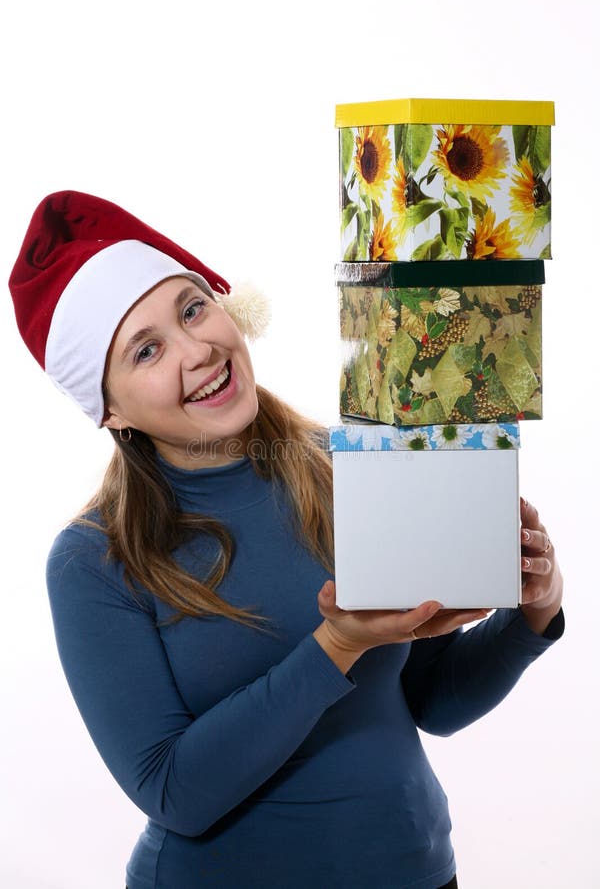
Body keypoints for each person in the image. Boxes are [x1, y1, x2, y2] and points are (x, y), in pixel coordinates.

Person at [9, 191, 564, 889]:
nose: (197, 349)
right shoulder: (94, 560)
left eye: (192, 308)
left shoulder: (352, 465)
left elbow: (431, 702)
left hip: (416, 873)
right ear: (109, 406)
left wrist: (533, 614)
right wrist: (338, 645)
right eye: (146, 349)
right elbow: (175, 792)